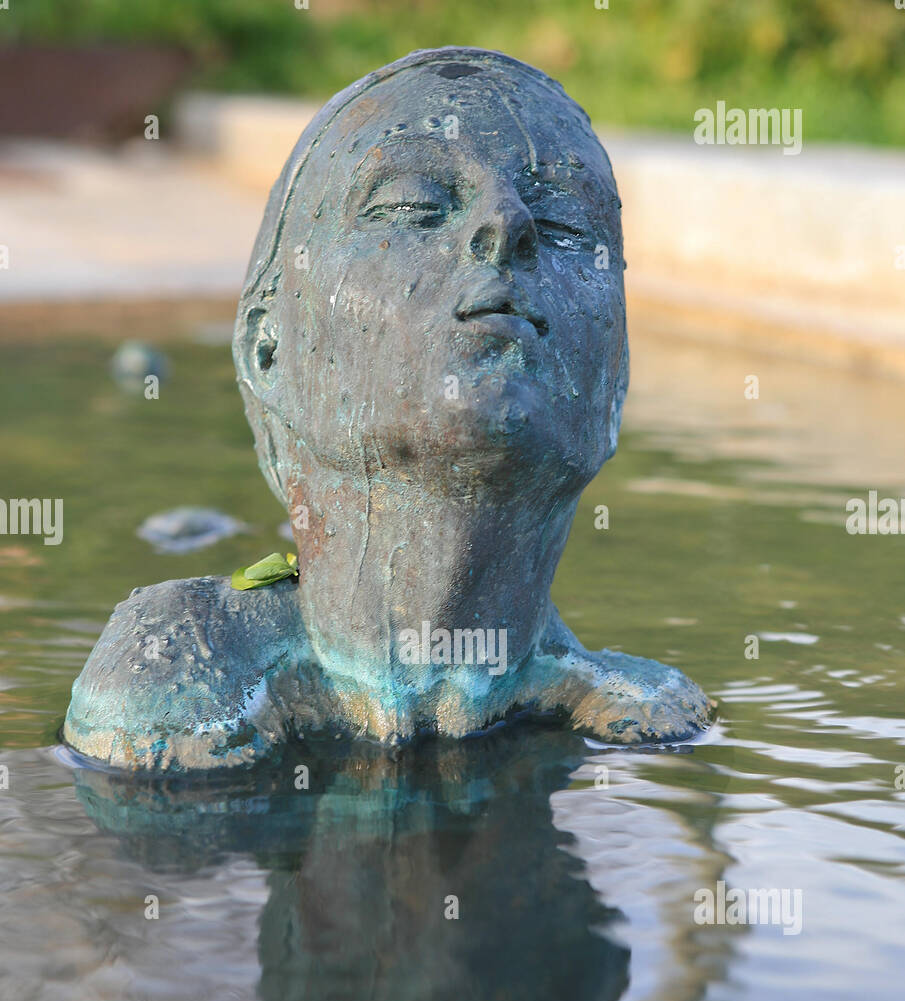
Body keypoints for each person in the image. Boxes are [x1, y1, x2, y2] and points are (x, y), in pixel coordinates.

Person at [64, 47, 713, 773]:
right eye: (412, 206)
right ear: (269, 352)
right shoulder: (181, 683)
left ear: (615, 382)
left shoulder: (646, 716)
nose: (505, 223)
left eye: (563, 222)